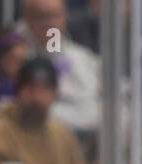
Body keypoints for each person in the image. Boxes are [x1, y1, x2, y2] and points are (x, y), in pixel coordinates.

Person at [14, 0, 102, 134]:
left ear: (65, 17)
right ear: (27, 19)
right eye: (42, 16)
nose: (50, 23)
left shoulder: (82, 58)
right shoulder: (13, 59)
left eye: (55, 16)